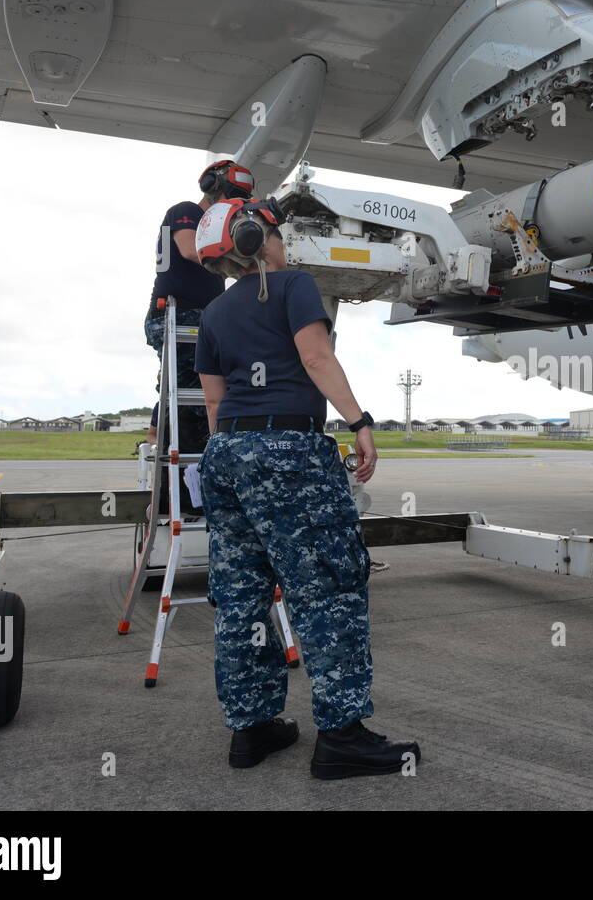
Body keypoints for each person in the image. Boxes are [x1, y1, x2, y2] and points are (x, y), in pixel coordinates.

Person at [193, 195, 420, 778]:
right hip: (290, 449)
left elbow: (215, 402)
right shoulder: (293, 286)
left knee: (242, 594)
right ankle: (341, 736)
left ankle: (252, 729)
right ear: (256, 237)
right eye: (277, 230)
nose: (284, 240)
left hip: (226, 454)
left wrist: (236, 461)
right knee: (327, 589)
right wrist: (360, 422)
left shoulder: (214, 315)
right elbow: (316, 357)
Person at [144, 160, 256, 468]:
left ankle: (188, 471)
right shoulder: (188, 212)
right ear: (212, 188)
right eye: (232, 195)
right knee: (188, 397)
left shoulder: (217, 229)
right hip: (176, 316)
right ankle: (179, 483)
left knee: (196, 390)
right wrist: (249, 266)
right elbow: (190, 250)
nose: (235, 204)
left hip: (202, 319)